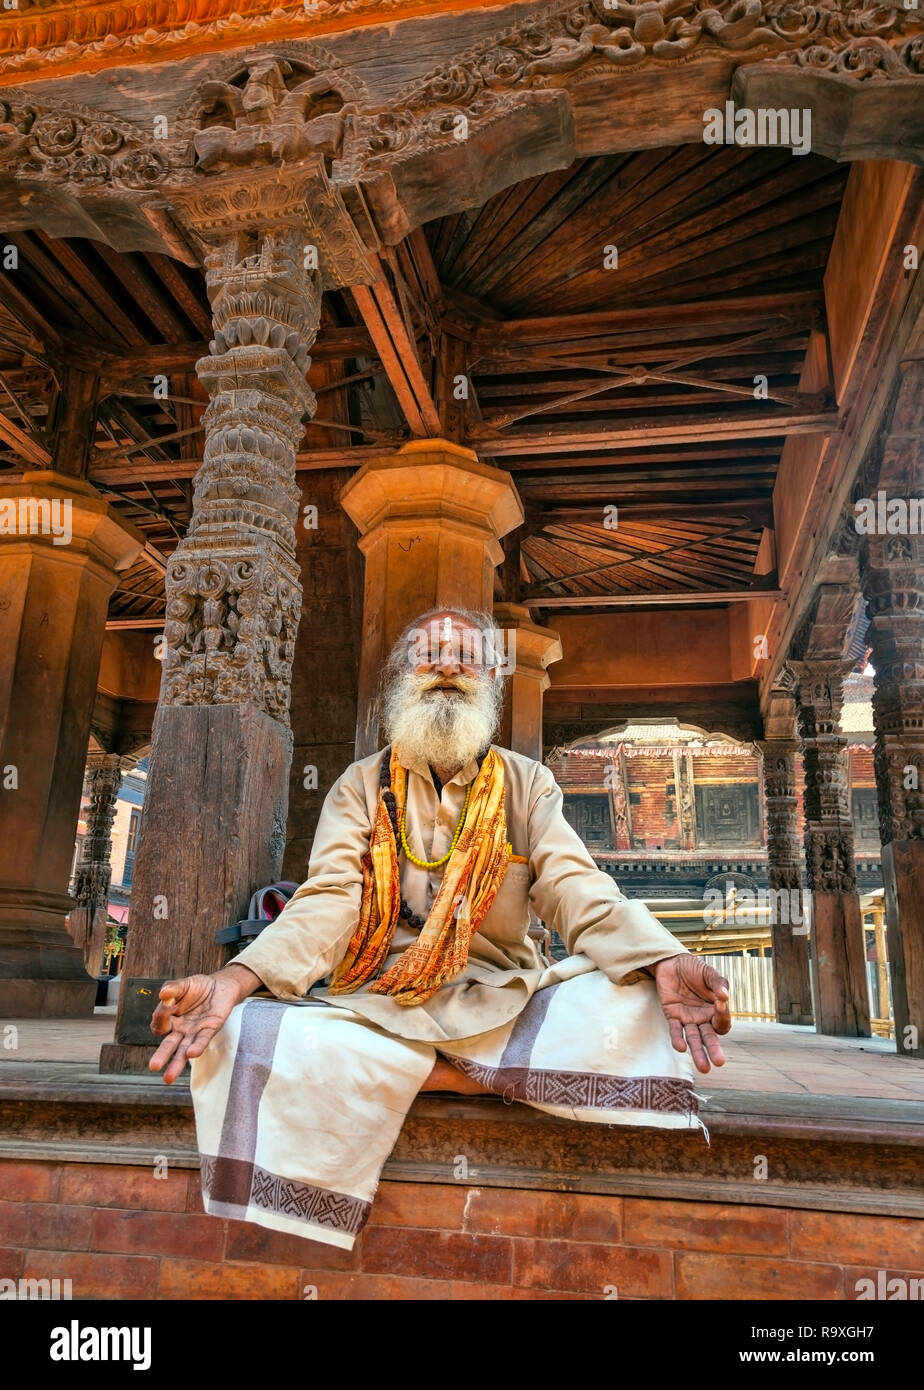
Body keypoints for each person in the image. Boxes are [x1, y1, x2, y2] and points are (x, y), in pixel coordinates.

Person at [150, 606, 731, 1249]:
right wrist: (234, 981)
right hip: (376, 997)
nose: (449, 667)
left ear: (489, 680)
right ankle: (479, 1073)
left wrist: (663, 959)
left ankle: (412, 1068)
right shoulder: (360, 786)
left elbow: (576, 887)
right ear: (403, 677)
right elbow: (331, 898)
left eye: (466, 657)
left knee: (629, 999)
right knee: (242, 1027)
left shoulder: (526, 783)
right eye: (430, 655)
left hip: (498, 997)